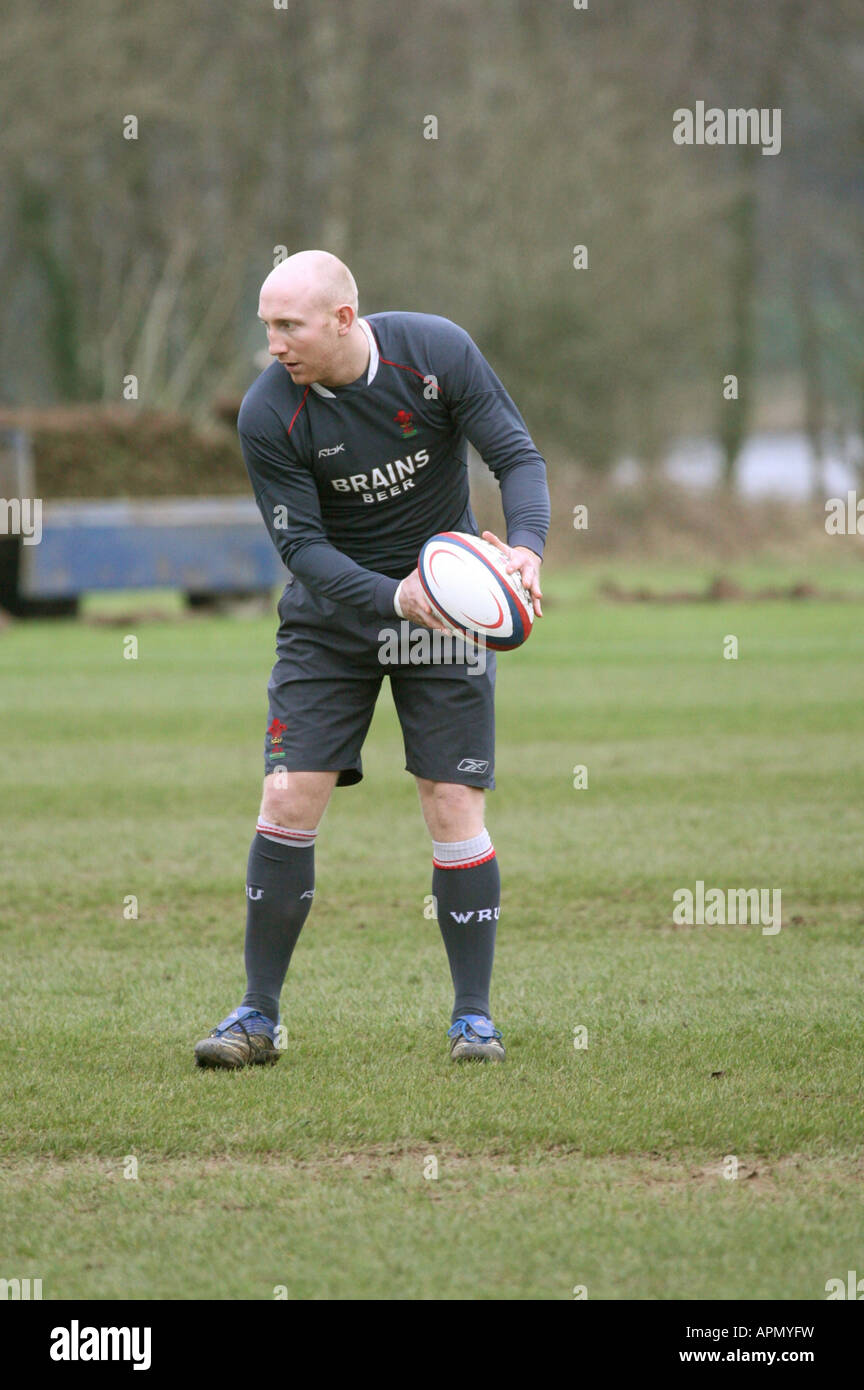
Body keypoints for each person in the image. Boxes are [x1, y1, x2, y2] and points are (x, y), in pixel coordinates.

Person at [194, 249, 549, 1069]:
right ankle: (257, 1016)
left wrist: (526, 547)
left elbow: (517, 458)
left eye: (289, 326)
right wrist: (392, 599)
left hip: (445, 615)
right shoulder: (267, 413)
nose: (274, 344)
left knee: (452, 803)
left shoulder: (437, 355)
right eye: (267, 327)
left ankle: (473, 1022)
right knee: (288, 795)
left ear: (344, 320)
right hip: (333, 621)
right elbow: (304, 551)